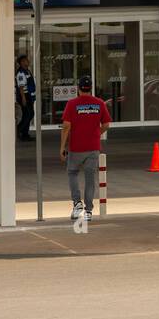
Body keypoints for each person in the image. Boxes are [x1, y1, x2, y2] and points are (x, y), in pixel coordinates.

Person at [58, 74, 111, 221]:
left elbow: (66, 126)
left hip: (76, 147)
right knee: (90, 178)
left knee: (72, 173)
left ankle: (77, 204)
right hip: (93, 147)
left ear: (78, 89)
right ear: (91, 88)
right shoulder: (99, 103)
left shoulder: (72, 104)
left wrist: (62, 147)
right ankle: (88, 211)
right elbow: (106, 124)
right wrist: (95, 134)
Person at [15, 55, 36, 142]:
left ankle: (25, 134)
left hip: (29, 96)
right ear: (22, 62)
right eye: (26, 60)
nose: (28, 61)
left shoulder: (27, 71)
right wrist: (23, 98)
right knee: (28, 114)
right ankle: (18, 131)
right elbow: (21, 87)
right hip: (24, 96)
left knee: (29, 114)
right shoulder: (21, 72)